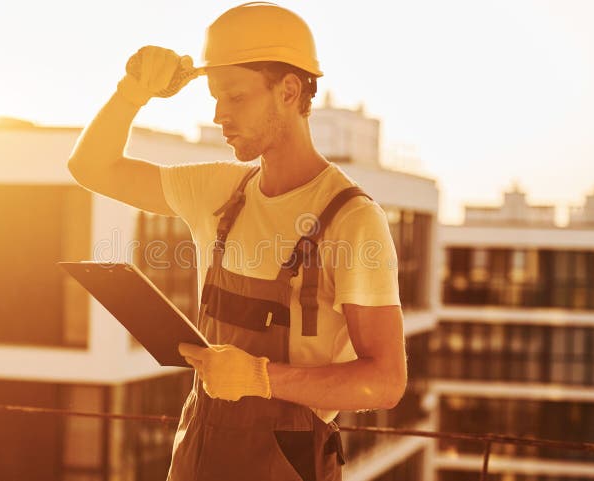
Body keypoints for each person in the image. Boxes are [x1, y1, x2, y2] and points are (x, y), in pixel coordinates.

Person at [67, 3, 407, 480]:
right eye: (214, 97)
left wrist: (259, 378)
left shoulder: (352, 221)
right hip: (200, 448)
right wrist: (132, 93)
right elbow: (91, 168)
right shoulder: (221, 190)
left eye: (235, 97)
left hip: (286, 463)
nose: (219, 114)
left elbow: (385, 383)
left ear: (288, 91)